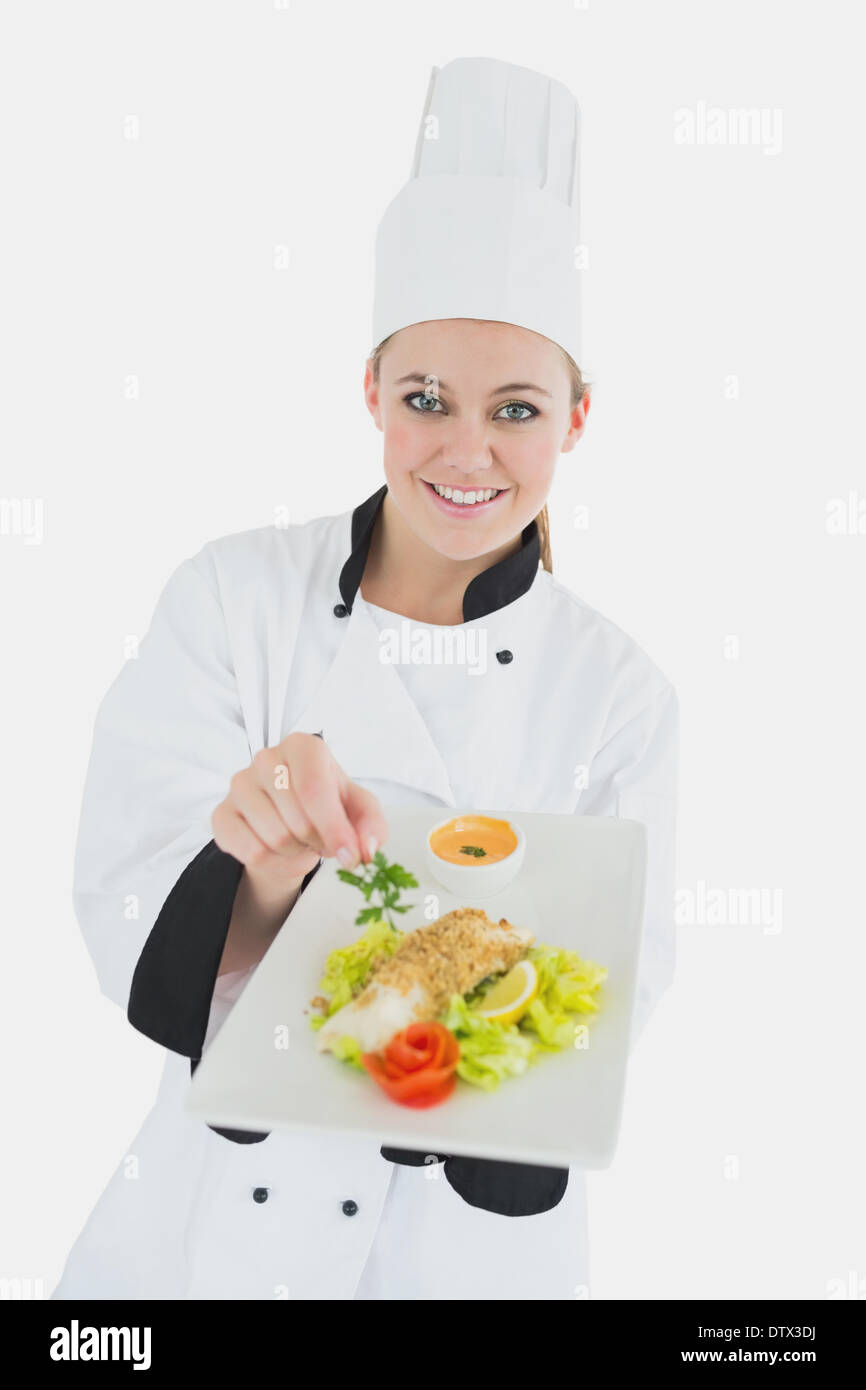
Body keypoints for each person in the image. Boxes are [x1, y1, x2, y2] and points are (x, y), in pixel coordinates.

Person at [52, 55, 678, 1301]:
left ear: (576, 420)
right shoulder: (232, 600)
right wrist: (259, 869)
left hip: (464, 1261)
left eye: (514, 410)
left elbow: (607, 993)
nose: (464, 450)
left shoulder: (616, 690)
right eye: (425, 398)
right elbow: (123, 893)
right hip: (207, 1241)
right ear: (369, 393)